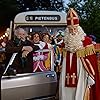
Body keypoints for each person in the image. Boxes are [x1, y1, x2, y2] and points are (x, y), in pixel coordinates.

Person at [59, 8, 100, 100]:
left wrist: (91, 75)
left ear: (79, 28)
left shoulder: (87, 41)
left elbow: (91, 61)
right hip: (66, 72)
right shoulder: (65, 42)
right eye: (70, 29)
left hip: (81, 72)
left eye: (75, 29)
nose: (73, 32)